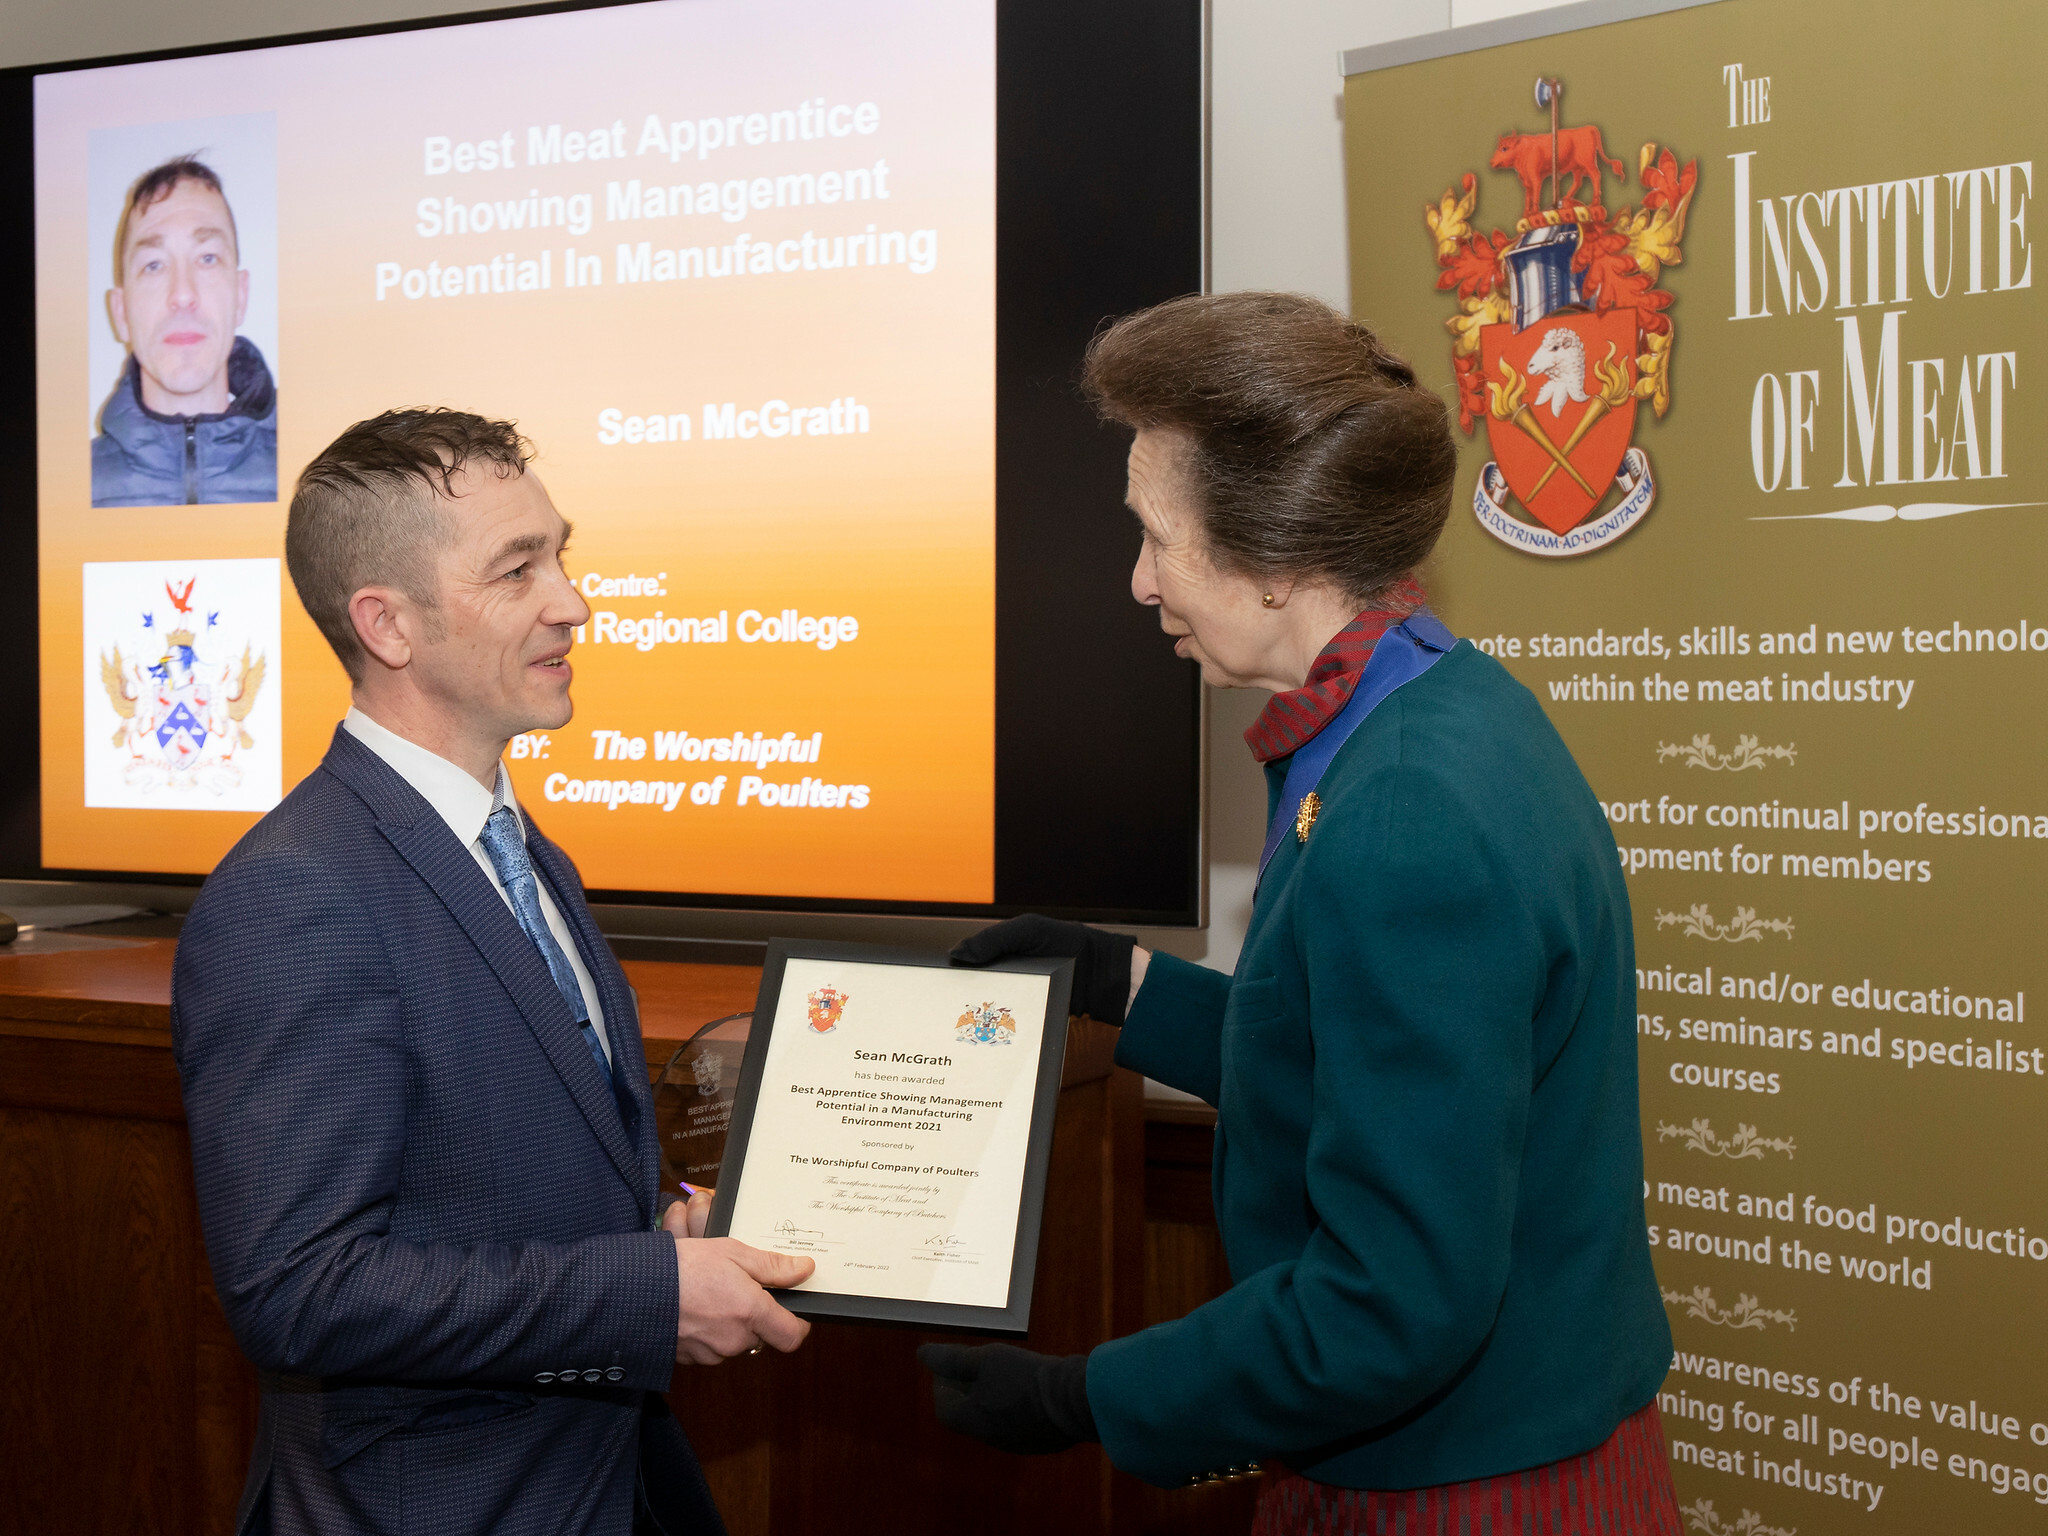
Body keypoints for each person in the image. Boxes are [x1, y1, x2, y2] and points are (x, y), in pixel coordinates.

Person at [921, 293, 1681, 1533]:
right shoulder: (1431, 704)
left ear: (1274, 560)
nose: (1137, 581)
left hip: (1457, 1494)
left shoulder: (1401, 810)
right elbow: (1363, 1069)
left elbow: (1392, 1302)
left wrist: (1087, 1396)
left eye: (1155, 538)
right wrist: (1125, 985)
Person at [172, 409, 813, 1536]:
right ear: (388, 625)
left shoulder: (523, 852)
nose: (572, 602)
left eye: (559, 555)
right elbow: (299, 1291)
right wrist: (643, 1295)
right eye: (517, 569)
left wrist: (661, 1237)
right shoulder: (294, 894)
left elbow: (504, 1178)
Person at [93, 155, 278, 506]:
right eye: (154, 265)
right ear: (121, 312)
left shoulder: (317, 478)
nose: (182, 295)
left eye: (207, 258)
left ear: (240, 296)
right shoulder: (59, 491)